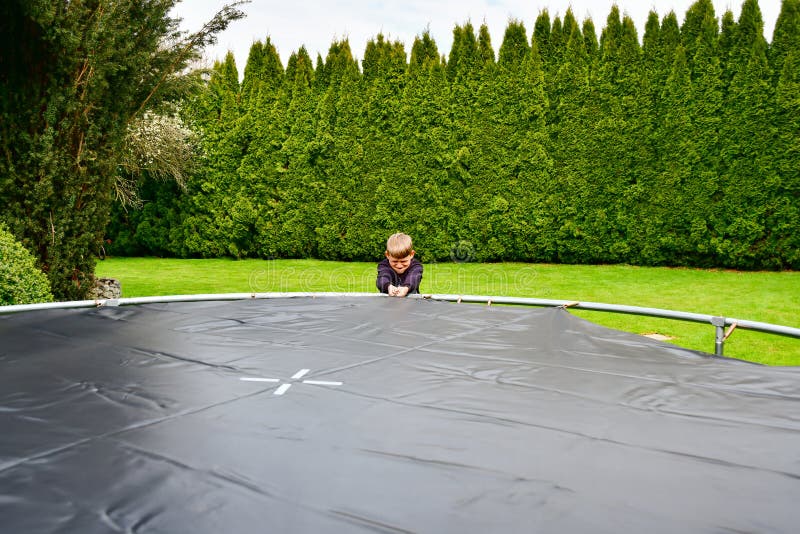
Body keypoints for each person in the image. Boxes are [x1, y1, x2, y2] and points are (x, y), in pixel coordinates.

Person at [376, 232, 423, 297]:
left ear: (411, 254)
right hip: (387, 304)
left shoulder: (416, 266)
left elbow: (414, 277)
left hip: (411, 303)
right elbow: (382, 278)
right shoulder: (383, 265)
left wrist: (406, 288)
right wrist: (388, 287)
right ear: (387, 255)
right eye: (395, 261)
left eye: (404, 261)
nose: (399, 266)